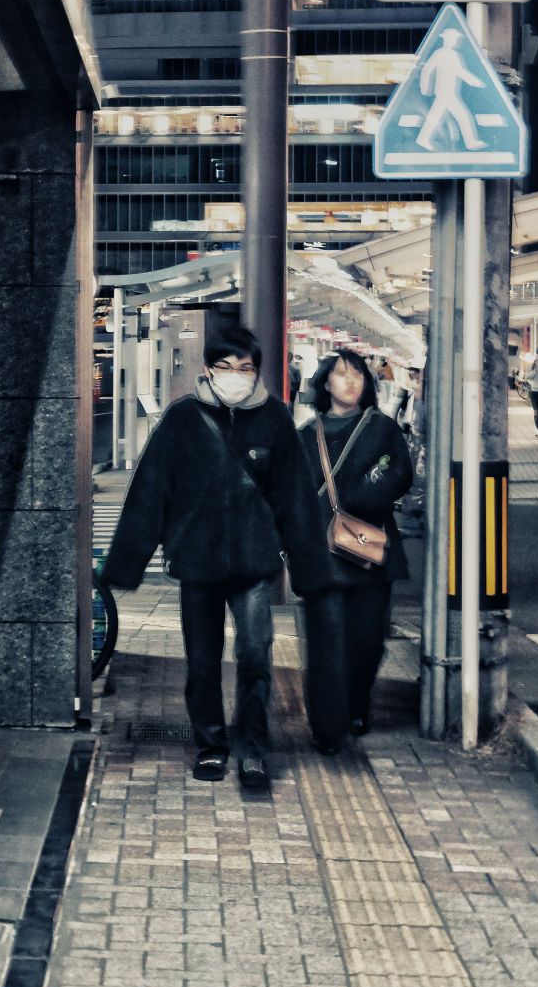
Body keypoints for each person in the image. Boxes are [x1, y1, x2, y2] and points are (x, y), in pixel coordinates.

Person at [102, 325, 332, 790]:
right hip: (197, 563)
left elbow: (296, 499)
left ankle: (252, 749)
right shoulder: (183, 419)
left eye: (244, 368)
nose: (234, 376)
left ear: (256, 372)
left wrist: (312, 569)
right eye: (225, 367)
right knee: (203, 660)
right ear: (208, 369)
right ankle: (210, 745)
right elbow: (150, 491)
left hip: (254, 562)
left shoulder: (275, 419)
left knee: (254, 656)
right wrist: (125, 564)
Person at [299, 350, 413, 755]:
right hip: (323, 555)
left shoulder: (382, 428)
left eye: (358, 375)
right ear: (325, 383)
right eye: (341, 375)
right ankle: (327, 723)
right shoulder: (306, 434)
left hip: (369, 552)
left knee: (367, 639)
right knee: (325, 643)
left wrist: (356, 501)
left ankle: (358, 703)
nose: (351, 382)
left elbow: (398, 472)